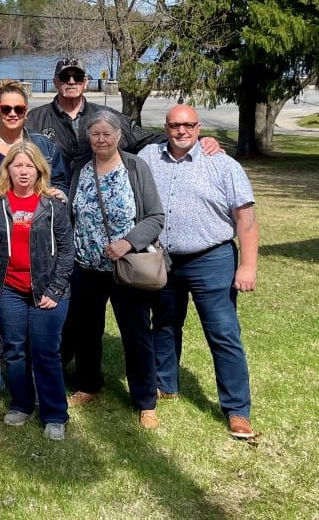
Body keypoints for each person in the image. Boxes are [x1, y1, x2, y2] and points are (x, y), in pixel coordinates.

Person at [140, 105, 259, 439]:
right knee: (164, 323)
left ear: (198, 126)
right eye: (175, 125)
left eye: (189, 125)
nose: (182, 131)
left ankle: (237, 410)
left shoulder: (221, 163)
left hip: (212, 258)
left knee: (222, 331)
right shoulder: (150, 157)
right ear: (165, 127)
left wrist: (248, 266)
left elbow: (246, 219)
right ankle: (166, 385)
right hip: (164, 259)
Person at [67, 110, 164, 430]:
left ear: (120, 136)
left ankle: (146, 400)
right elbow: (72, 213)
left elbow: (155, 216)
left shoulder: (135, 167)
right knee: (86, 331)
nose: (101, 139)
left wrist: (129, 243)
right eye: (95, 134)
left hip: (126, 266)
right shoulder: (80, 169)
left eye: (108, 133)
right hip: (86, 266)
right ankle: (88, 384)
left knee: (136, 333)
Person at [0, 142, 74, 441]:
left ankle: (54, 413)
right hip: (9, 288)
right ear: (7, 169)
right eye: (17, 165)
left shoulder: (52, 204)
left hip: (48, 289)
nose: (23, 171)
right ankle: (22, 403)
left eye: (29, 166)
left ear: (39, 169)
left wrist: (55, 288)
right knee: (15, 349)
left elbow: (66, 251)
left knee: (45, 352)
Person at [27, 58, 223, 180]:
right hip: (53, 203)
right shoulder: (35, 119)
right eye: (64, 77)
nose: (71, 81)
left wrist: (198, 139)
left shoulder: (107, 117)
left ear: (85, 83)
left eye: (77, 77)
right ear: (55, 82)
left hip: (96, 202)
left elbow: (146, 138)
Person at [0, 79, 70, 191]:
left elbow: (62, 182)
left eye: (19, 109)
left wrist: (59, 194)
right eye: (6, 109)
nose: (12, 114)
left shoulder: (44, 145)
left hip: (35, 208)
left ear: (26, 113)